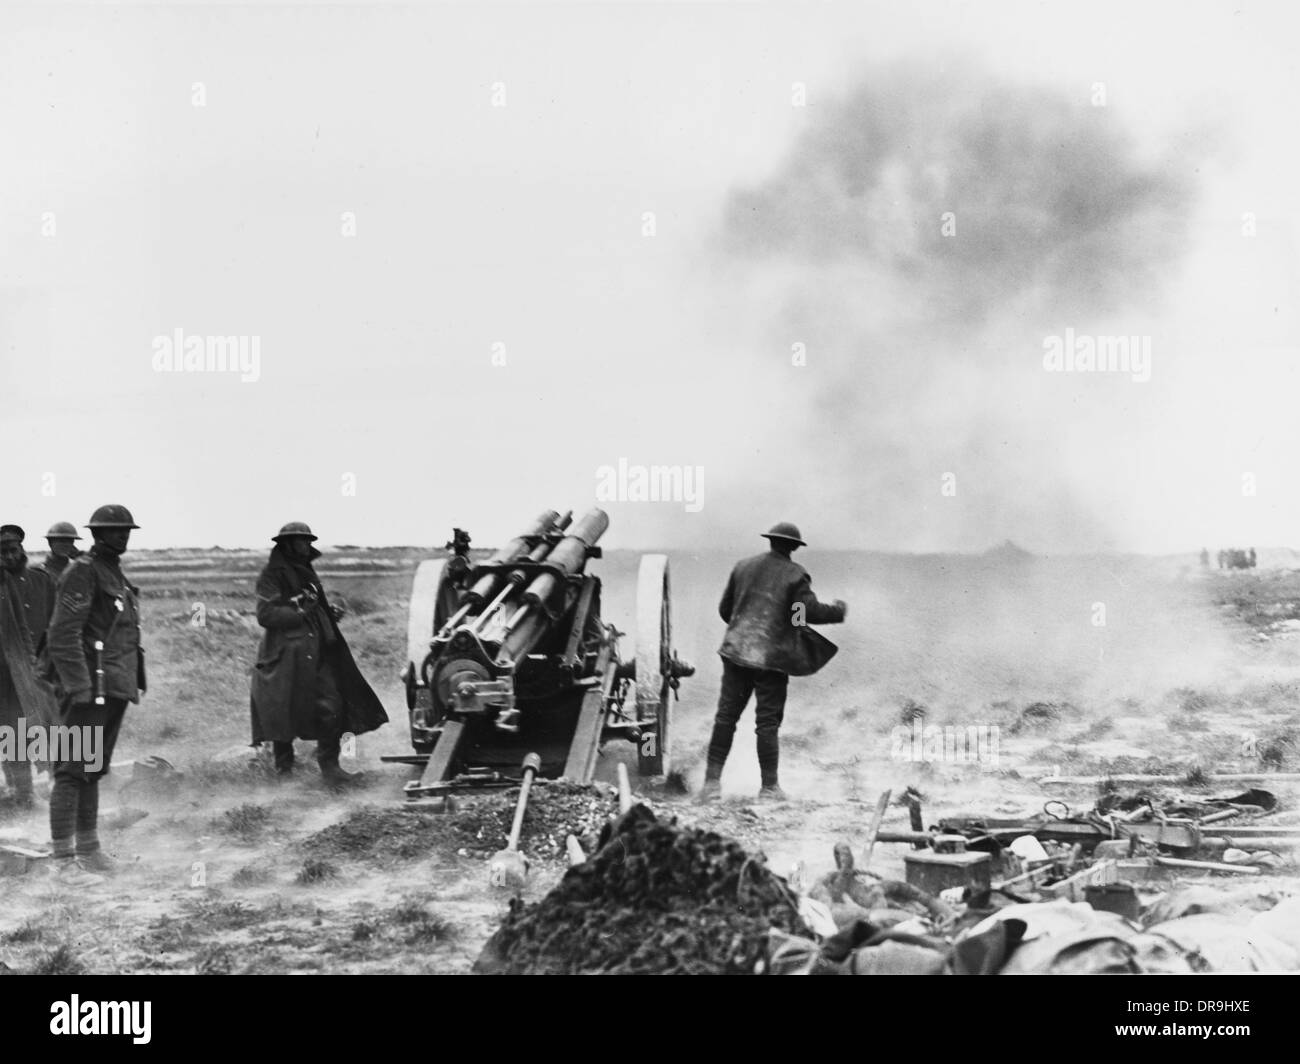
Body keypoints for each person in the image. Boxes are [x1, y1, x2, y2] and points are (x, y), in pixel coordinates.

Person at [699, 521, 847, 802]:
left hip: (735, 652)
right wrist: (837, 611)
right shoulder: (796, 575)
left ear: (770, 541)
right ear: (794, 547)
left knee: (726, 718)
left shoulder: (743, 566)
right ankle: (769, 788)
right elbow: (804, 614)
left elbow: (725, 610)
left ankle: (710, 786)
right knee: (767, 723)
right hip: (772, 659)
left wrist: (746, 627)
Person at [44, 505, 146, 885]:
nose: (123, 537)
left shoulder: (112, 570)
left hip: (113, 686)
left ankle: (89, 850)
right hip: (89, 688)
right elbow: (62, 634)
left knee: (91, 769)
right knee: (71, 770)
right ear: (97, 534)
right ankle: (63, 862)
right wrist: (79, 686)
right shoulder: (83, 571)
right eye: (114, 531)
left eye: (126, 531)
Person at [249, 522, 387, 787]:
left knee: (332, 705)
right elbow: (266, 614)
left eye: (307, 540)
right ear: (286, 544)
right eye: (300, 541)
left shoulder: (305, 570)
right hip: (287, 656)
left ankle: (331, 769)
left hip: (317, 652)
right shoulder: (271, 574)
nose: (306, 545)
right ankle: (284, 774)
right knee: (283, 712)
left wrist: (326, 613)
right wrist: (301, 611)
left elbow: (312, 606)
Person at [0, 525, 58, 811]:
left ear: (22, 550)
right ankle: (20, 790)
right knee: (9, 730)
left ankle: (51, 784)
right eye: (3, 552)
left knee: (45, 723)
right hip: (4, 676)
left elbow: (34, 626)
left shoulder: (39, 580)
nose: (10, 557)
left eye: (14, 550)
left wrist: (40, 662)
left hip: (29, 668)